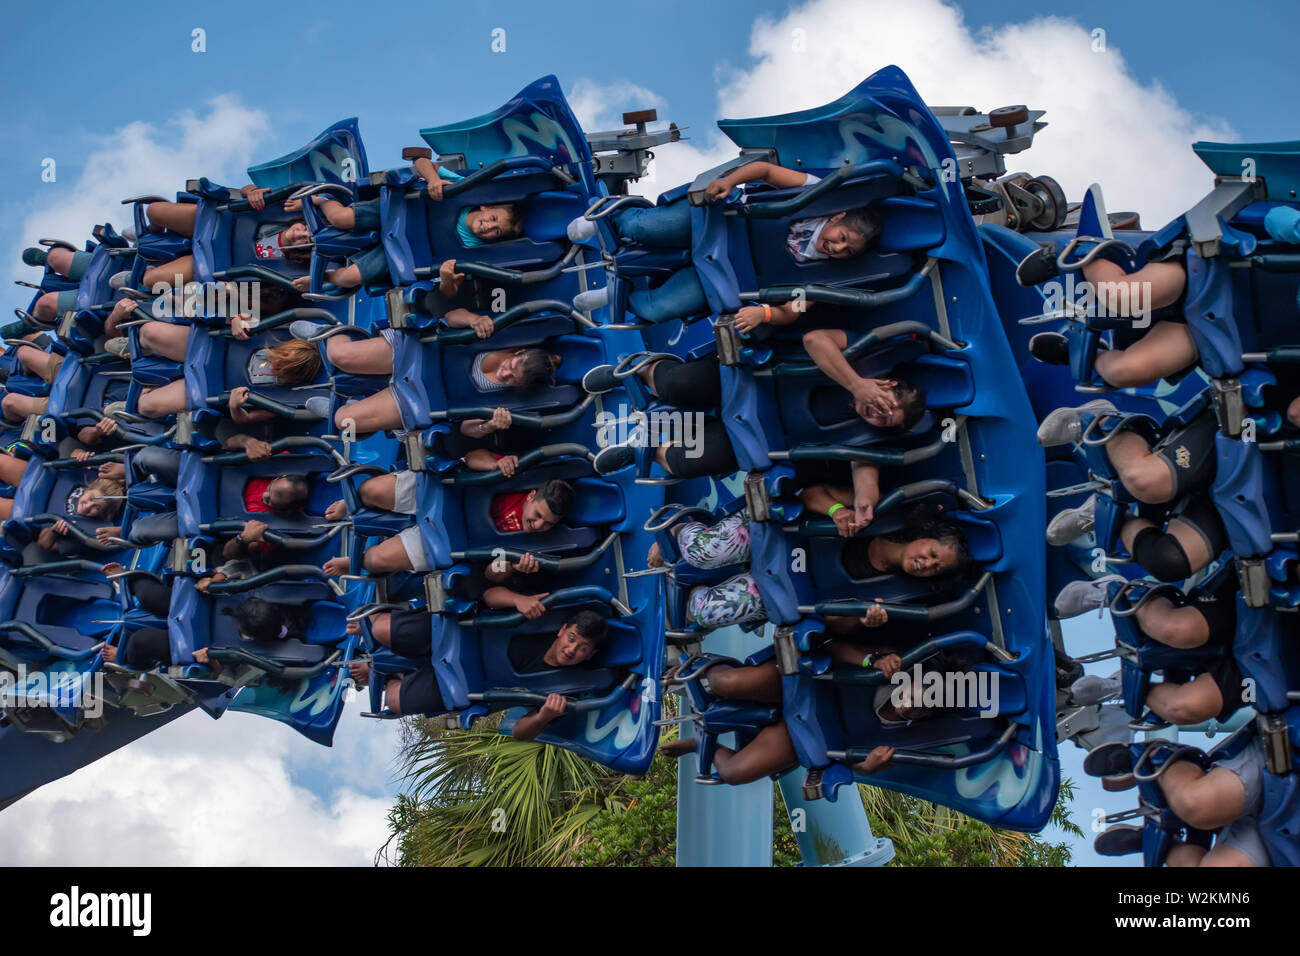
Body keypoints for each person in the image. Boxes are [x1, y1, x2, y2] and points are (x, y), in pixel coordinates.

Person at [570, 160, 881, 323]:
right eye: (842, 238)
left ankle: (616, 294)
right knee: (642, 227)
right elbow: (766, 171)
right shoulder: (816, 192)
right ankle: (604, 221)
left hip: (725, 276)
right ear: (837, 217)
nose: (838, 248)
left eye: (848, 251)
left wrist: (765, 314)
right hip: (718, 223)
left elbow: (791, 311)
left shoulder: (822, 281)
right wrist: (729, 181)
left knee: (658, 309)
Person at [662, 503, 972, 630]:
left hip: (785, 588)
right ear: (924, 536)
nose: (927, 564)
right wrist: (836, 510)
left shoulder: (893, 596)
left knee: (706, 613)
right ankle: (679, 527)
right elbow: (812, 494)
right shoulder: (884, 513)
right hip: (777, 532)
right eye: (932, 553)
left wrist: (860, 620)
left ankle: (692, 586)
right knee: (701, 552)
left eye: (936, 568)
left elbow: (830, 621)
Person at [1015, 184, 1196, 388]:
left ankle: (1089, 354)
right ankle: (1083, 254)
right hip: (1206, 275)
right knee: (1124, 297)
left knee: (1124, 371)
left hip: (1211, 333)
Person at [371, 609, 609, 737]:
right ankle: (377, 636)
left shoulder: (567, 692)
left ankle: (390, 674)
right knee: (379, 628)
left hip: (464, 687)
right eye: (572, 639)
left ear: (590, 655)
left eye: (583, 648)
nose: (571, 649)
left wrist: (542, 717)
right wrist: (517, 599)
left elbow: (519, 733)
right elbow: (491, 589)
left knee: (394, 701)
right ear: (562, 630)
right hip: (457, 635)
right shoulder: (543, 616)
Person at [325, 477, 575, 577]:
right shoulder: (517, 479)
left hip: (451, 543)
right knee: (372, 490)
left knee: (377, 560)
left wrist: (511, 567)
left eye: (547, 524)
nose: (538, 525)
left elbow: (490, 574)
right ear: (531, 496)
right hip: (444, 496)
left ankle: (354, 560)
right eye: (538, 515)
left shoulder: (535, 550)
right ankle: (352, 503)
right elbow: (476, 459)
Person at [1088, 737, 1273, 866]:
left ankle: (1167, 844)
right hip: (1276, 768)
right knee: (1198, 802)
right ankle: (1158, 758)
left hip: (1279, 837)